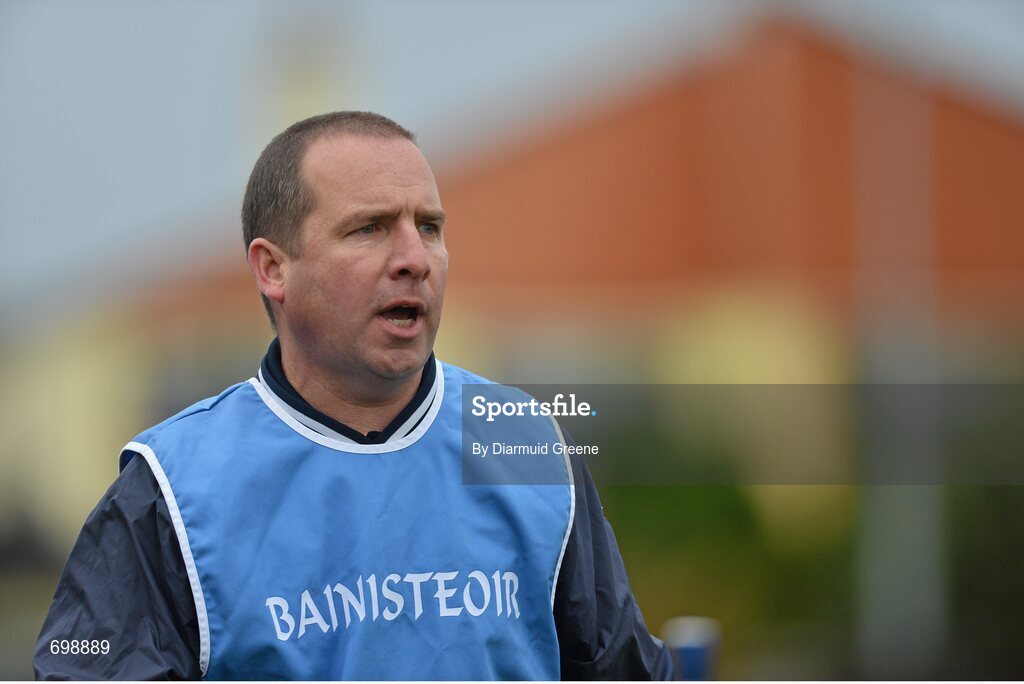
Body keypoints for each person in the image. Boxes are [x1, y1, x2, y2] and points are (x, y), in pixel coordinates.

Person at [34, 111, 673, 680]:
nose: (413, 259)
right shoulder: (170, 489)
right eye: (369, 229)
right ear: (273, 269)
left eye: (428, 227)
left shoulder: (527, 444)